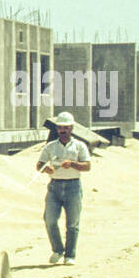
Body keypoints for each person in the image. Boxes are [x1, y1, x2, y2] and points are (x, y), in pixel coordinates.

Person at [37, 111, 91, 265]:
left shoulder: (79, 146)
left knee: (72, 223)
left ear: (71, 128)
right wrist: (46, 169)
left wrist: (72, 164)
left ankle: (70, 255)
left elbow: (87, 166)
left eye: (66, 127)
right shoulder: (50, 146)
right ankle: (58, 249)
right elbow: (39, 165)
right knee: (50, 220)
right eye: (60, 127)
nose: (63, 130)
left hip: (73, 186)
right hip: (55, 187)